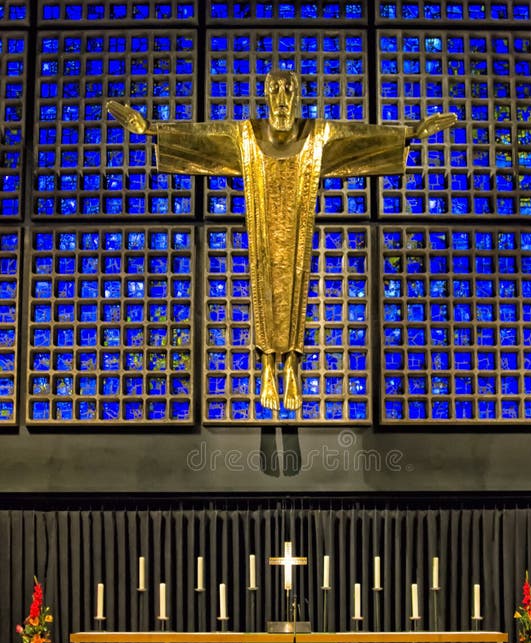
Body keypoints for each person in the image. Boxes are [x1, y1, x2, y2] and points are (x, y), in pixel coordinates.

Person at [107, 70, 456, 411]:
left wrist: (410, 133)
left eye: (288, 91)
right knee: (263, 281)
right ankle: (267, 367)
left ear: (298, 96)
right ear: (265, 96)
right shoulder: (245, 137)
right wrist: (151, 129)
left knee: (295, 282)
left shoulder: (318, 137)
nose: (282, 99)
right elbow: (202, 137)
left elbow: (361, 138)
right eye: (274, 91)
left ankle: (290, 365)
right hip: (262, 226)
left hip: (297, 226)